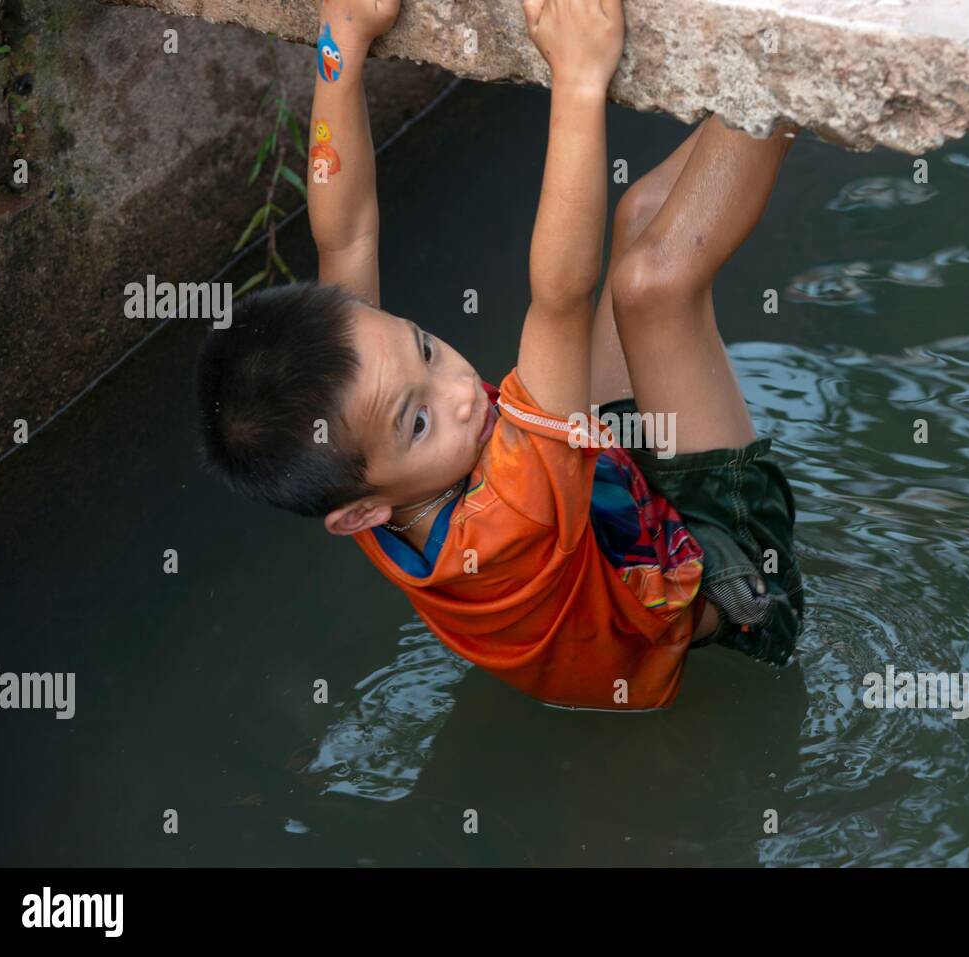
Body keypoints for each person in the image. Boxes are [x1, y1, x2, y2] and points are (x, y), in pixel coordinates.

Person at [196, 0, 804, 710]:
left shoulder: (361, 464)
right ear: (360, 513)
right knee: (652, 284)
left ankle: (759, 69)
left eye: (424, 347)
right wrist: (577, 80)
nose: (456, 390)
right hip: (731, 588)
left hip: (608, 527)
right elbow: (560, 299)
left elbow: (347, 238)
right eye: (418, 420)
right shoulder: (512, 510)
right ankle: (792, 57)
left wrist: (342, 41)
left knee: (642, 214)